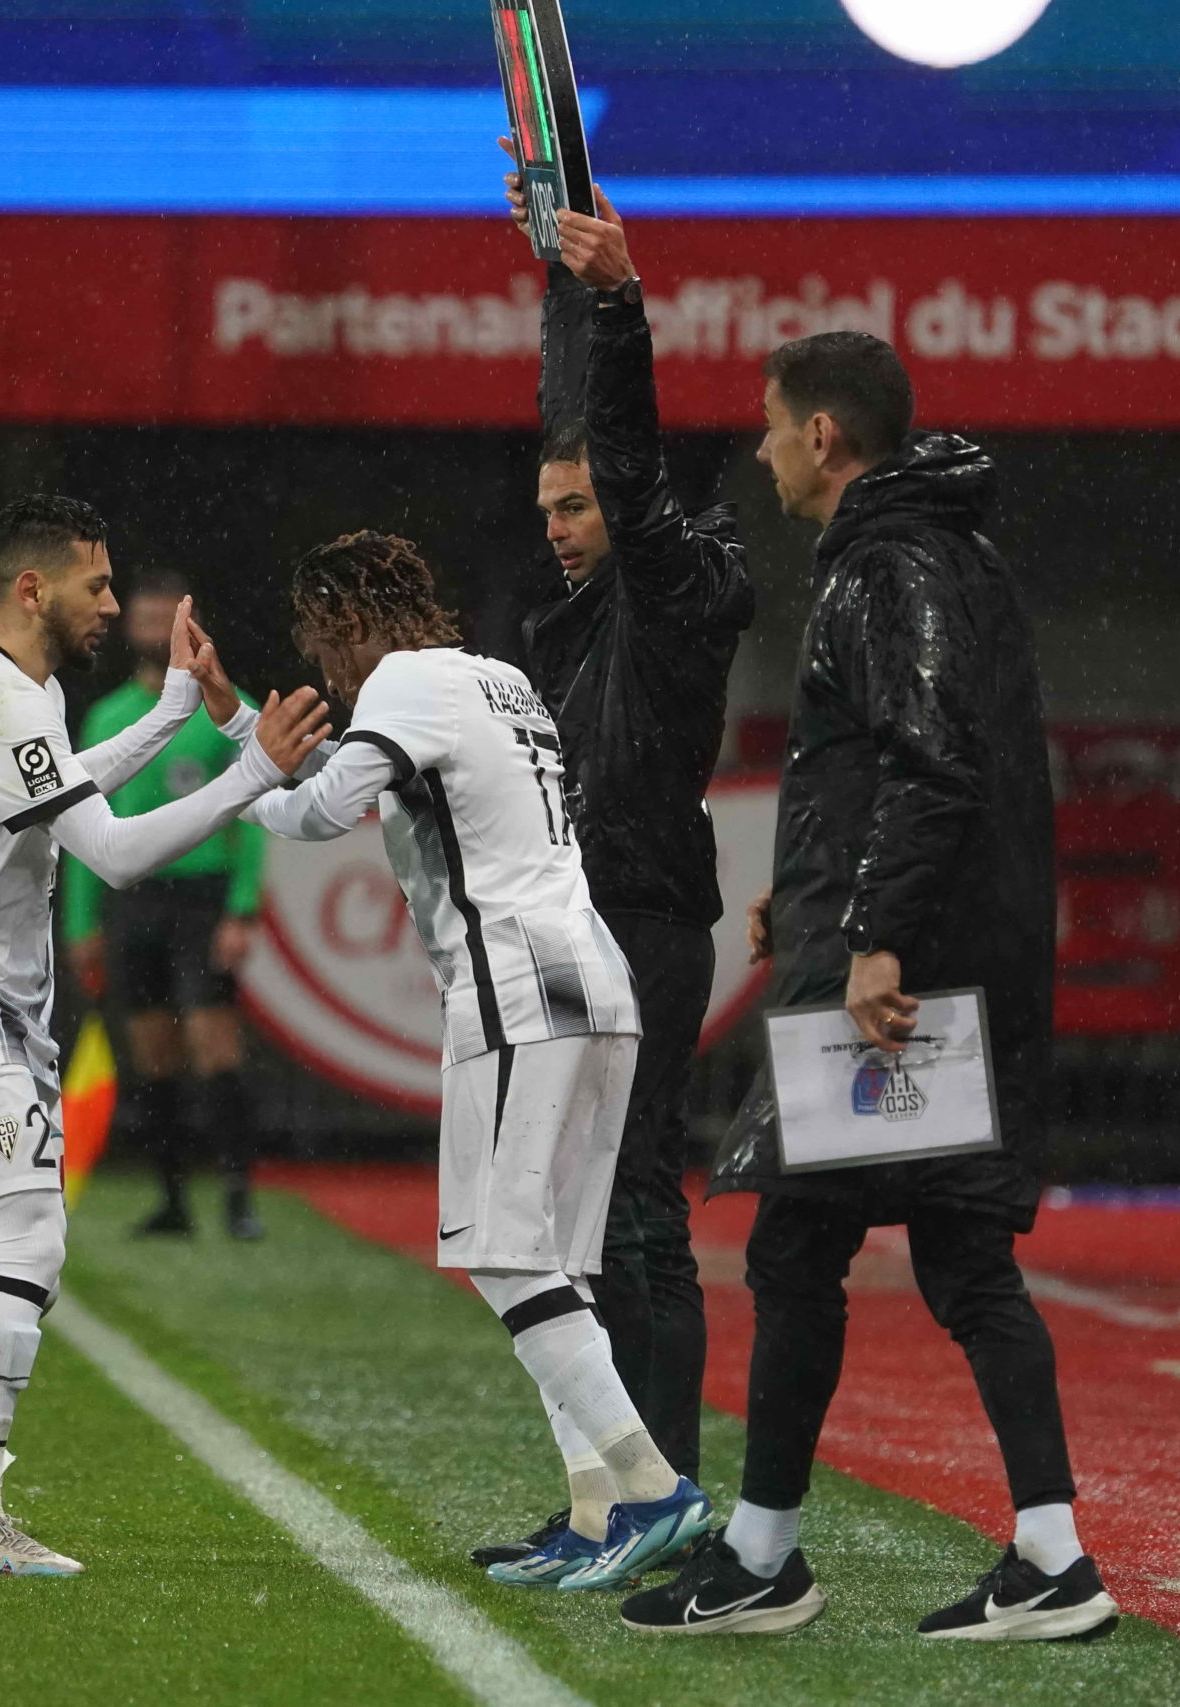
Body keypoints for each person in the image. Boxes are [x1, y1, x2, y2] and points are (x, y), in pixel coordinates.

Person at [630, 332, 1116, 1642]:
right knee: (952, 1251)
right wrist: (821, 899)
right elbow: (919, 769)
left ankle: (768, 1556)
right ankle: (1050, 1553)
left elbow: (931, 764)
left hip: (907, 982)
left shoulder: (885, 564)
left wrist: (876, 937)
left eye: (773, 424)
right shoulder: (946, 549)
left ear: (829, 435)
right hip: (933, 957)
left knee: (799, 1242)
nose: (761, 447)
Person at [0, 496, 326, 1577]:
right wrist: (251, 774)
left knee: (12, 1255)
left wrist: (177, 709)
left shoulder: (19, 691)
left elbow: (72, 796)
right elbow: (114, 855)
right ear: (31, 589)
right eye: (98, 583)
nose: (115, 604)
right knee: (29, 1248)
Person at [237, 529, 714, 1591]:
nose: (326, 672)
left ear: (351, 622)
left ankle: (652, 1490)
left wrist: (245, 767)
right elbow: (364, 779)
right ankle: (599, 1510)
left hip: (514, 989)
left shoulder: (402, 682)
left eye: (325, 642)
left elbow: (318, 808)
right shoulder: (493, 678)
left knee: (503, 1254)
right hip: (594, 981)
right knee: (556, 1260)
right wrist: (243, 728)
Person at [470, 154, 754, 1569]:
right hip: (589, 926)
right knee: (573, 1226)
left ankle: (671, 1498)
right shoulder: (591, 611)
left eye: (574, 511)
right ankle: (609, 1495)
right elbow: (573, 430)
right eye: (547, 512)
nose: (559, 527)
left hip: (641, 921)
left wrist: (620, 306)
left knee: (636, 1211)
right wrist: (555, 285)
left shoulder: (668, 589)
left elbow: (618, 458)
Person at [62, 575, 269, 1241]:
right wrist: (81, 922)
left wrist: (241, 908)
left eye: (167, 619)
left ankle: (239, 1198)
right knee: (152, 1055)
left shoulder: (225, 706)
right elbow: (78, 825)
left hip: (202, 896)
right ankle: (173, 1200)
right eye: (145, 618)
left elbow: (258, 810)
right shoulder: (106, 717)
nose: (155, 630)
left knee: (214, 1046)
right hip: (133, 898)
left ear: (191, 628)